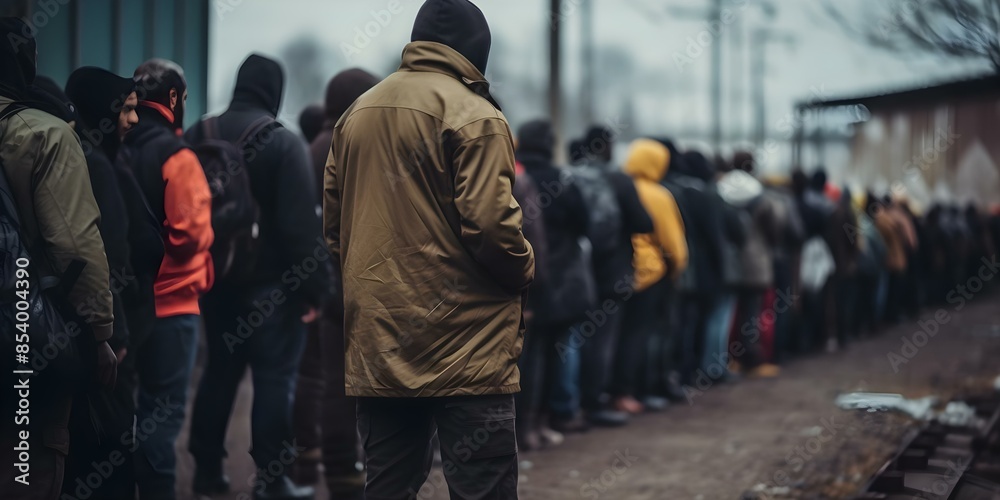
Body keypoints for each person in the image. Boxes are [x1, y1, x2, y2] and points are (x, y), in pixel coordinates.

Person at [324, 0, 535, 496]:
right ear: (477, 50)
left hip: (383, 341)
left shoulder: (357, 114)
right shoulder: (476, 116)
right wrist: (525, 266)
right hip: (469, 345)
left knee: (389, 485)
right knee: (481, 486)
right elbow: (491, 227)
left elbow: (336, 231)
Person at [186, 54, 327, 500]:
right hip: (272, 290)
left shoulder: (198, 135)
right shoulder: (282, 144)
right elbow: (300, 229)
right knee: (274, 381)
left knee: (217, 376)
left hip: (214, 280)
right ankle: (271, 480)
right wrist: (317, 290)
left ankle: (207, 473)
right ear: (274, 90)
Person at [0, 17, 118, 500]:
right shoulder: (42, 134)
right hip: (25, 332)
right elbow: (75, 245)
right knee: (27, 458)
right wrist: (100, 336)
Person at [63, 66, 160, 500]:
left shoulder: (100, 159)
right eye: (125, 109)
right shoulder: (95, 166)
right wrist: (114, 334)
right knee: (111, 448)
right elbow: (106, 256)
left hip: (105, 334)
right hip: (109, 343)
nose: (134, 119)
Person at [121, 58, 214, 500]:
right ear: (174, 98)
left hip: (120, 309)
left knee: (122, 413)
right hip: (171, 308)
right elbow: (190, 237)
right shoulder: (177, 155)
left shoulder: (111, 145)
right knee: (161, 414)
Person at [296, 68, 380, 498]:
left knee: (323, 379)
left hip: (321, 282)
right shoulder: (347, 145)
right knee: (347, 385)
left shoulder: (312, 146)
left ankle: (322, 464)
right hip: (346, 283)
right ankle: (345, 470)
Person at [517, 119, 594, 440]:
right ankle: (547, 421)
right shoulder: (563, 180)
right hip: (560, 281)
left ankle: (522, 427)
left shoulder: (512, 175)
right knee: (554, 353)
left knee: (523, 358)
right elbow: (586, 224)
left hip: (519, 276)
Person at [572, 126, 653, 425]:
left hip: (577, 272)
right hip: (613, 273)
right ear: (605, 147)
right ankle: (594, 403)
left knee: (574, 340)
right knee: (602, 341)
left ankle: (567, 404)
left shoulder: (572, 176)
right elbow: (644, 222)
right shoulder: (619, 180)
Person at [614, 139, 688, 414]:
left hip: (619, 270)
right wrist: (677, 270)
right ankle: (633, 391)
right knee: (640, 335)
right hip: (651, 272)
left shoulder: (618, 186)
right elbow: (673, 243)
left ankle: (613, 391)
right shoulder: (659, 195)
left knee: (617, 335)